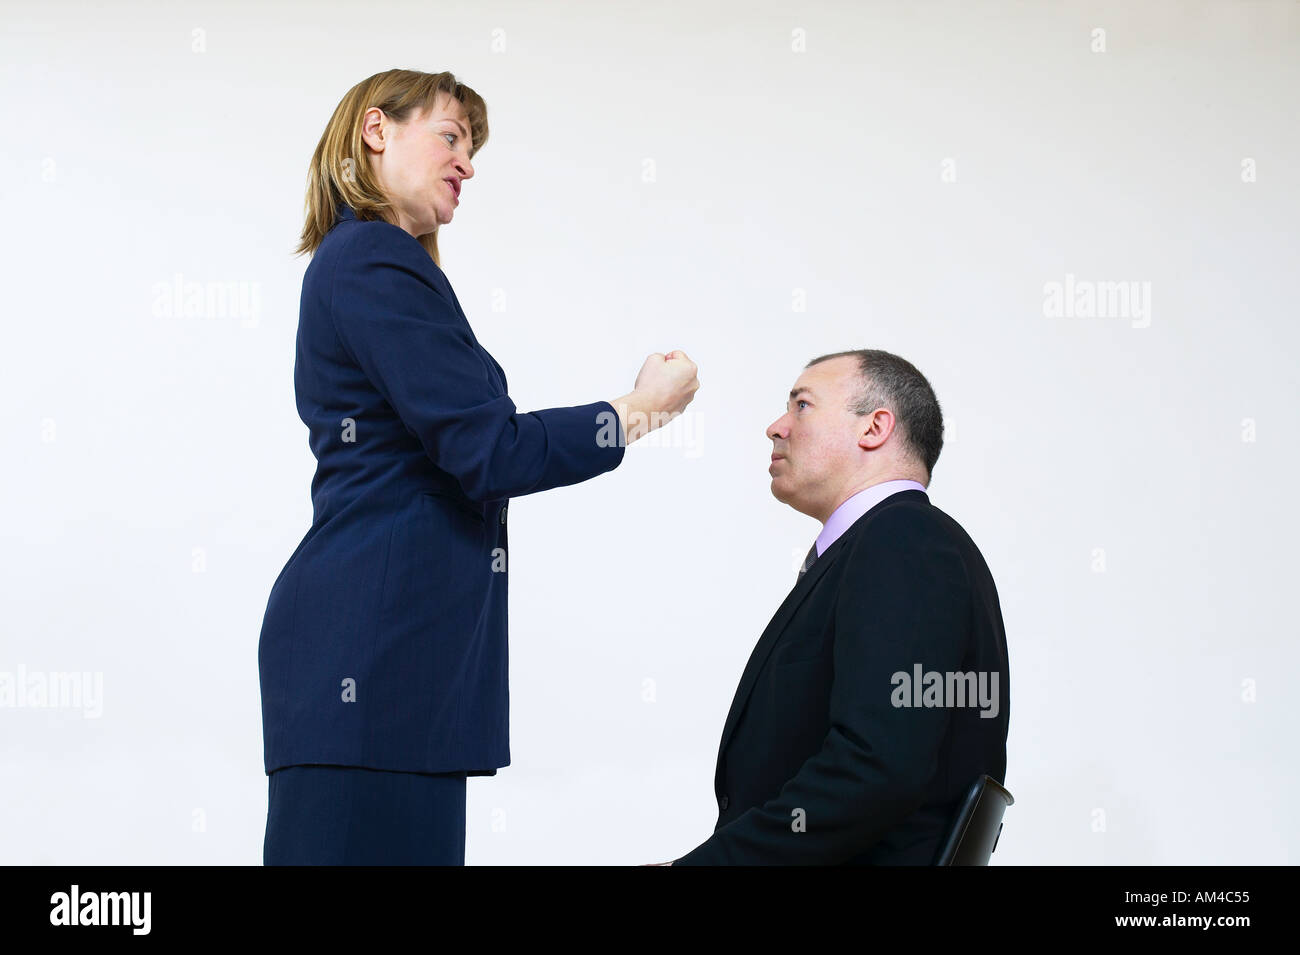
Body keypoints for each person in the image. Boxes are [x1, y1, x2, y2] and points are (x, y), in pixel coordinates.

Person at [259, 69, 699, 865]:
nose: (468, 163)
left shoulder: (382, 265)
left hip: (394, 671)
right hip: (370, 664)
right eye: (452, 136)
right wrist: (641, 409)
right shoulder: (370, 259)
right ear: (375, 129)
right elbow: (489, 451)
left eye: (473, 148)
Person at [666, 349, 1007, 865]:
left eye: (801, 406)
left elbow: (877, 768)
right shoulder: (887, 545)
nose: (775, 427)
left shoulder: (904, 540)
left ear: (874, 428)